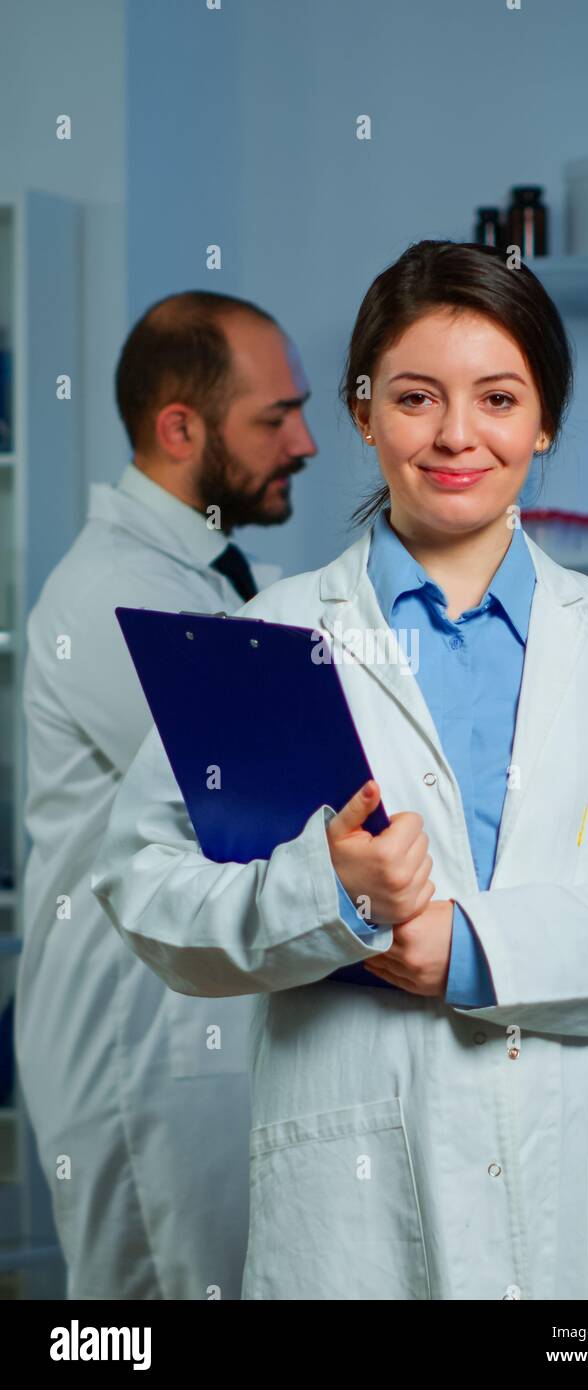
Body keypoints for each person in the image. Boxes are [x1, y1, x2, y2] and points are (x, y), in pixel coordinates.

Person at [91, 241, 588, 1300]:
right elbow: (143, 884)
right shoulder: (271, 637)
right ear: (362, 412)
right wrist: (326, 890)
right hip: (353, 1210)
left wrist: (467, 949)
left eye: (496, 396)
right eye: (415, 396)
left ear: (542, 422)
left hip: (582, 1194)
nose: (454, 434)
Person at [15, 290, 316, 1299]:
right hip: (138, 1059)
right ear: (179, 426)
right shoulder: (111, 596)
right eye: (275, 418)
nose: (307, 440)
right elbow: (270, 806)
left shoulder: (211, 578)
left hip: (203, 1049)